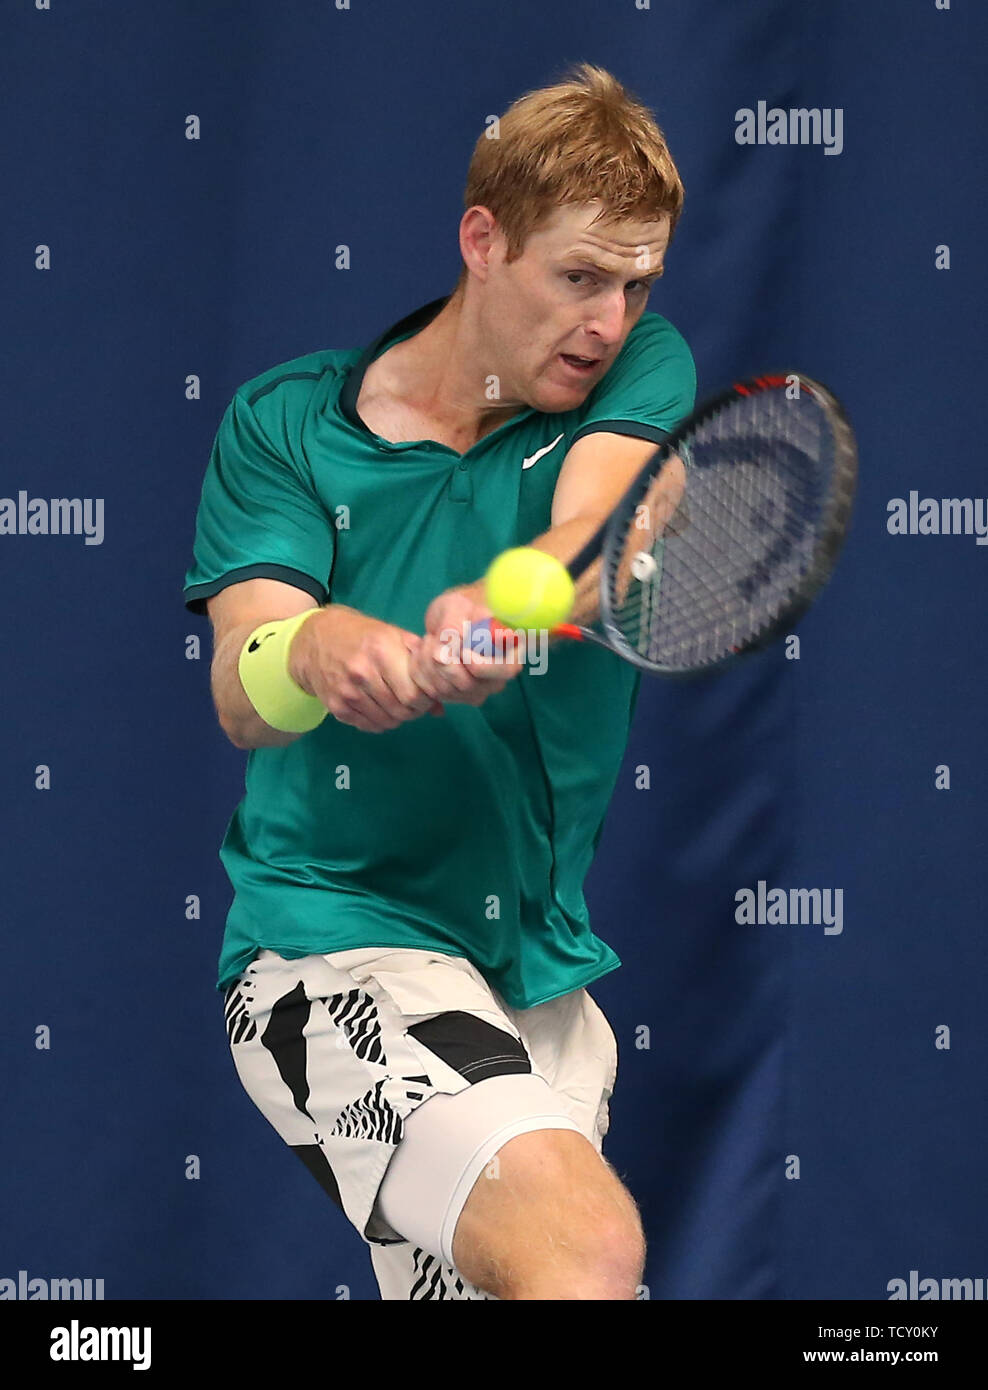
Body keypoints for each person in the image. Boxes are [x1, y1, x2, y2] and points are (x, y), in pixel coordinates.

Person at [183, 61, 695, 1301]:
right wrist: (320, 649)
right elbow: (246, 686)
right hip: (331, 947)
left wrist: (506, 600)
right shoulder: (285, 426)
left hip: (537, 978)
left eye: (637, 283)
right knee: (584, 1248)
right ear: (483, 241)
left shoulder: (637, 372)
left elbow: (597, 534)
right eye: (579, 276)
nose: (609, 321)